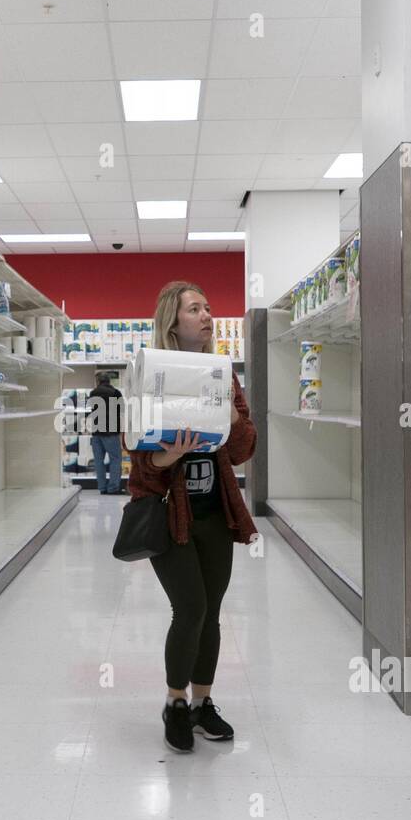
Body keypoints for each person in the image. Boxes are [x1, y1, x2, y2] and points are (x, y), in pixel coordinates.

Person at [126, 281, 257, 754]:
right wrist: (166, 457)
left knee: (213, 612)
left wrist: (235, 418)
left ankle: (203, 703)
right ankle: (176, 702)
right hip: (170, 515)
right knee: (192, 608)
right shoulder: (148, 375)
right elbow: (140, 465)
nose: (207, 315)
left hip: (215, 513)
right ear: (173, 321)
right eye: (195, 308)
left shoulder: (224, 375)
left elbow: (243, 449)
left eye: (208, 306)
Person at [88, 371, 125, 494]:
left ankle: (102, 488)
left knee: (98, 460)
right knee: (115, 459)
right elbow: (122, 411)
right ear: (109, 381)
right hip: (110, 432)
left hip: (96, 432)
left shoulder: (92, 393)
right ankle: (113, 488)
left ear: (98, 381)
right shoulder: (116, 393)